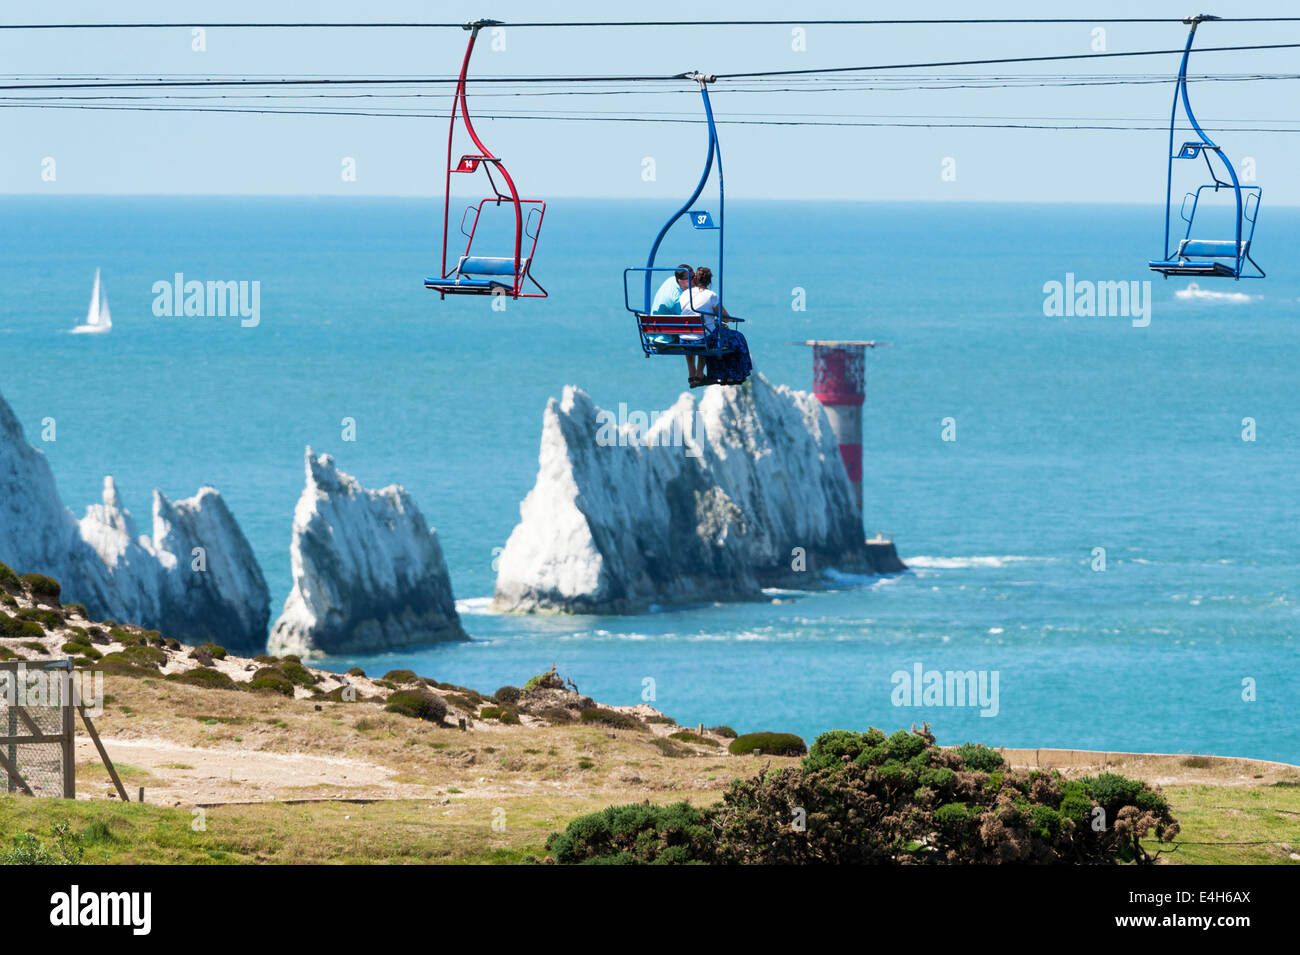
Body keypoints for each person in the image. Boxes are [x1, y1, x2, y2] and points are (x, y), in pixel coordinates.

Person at [679, 266, 752, 387]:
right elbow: (726, 318)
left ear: (695, 279)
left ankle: (707, 374)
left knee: (711, 334)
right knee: (738, 338)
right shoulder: (711, 295)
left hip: (684, 338)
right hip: (703, 338)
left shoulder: (685, 294)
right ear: (709, 281)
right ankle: (734, 375)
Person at [647, 264, 692, 347]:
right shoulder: (677, 300)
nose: (693, 280)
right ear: (680, 280)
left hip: (654, 335)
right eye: (690, 278)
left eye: (694, 277)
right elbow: (687, 320)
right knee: (701, 337)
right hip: (666, 339)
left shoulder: (671, 280)